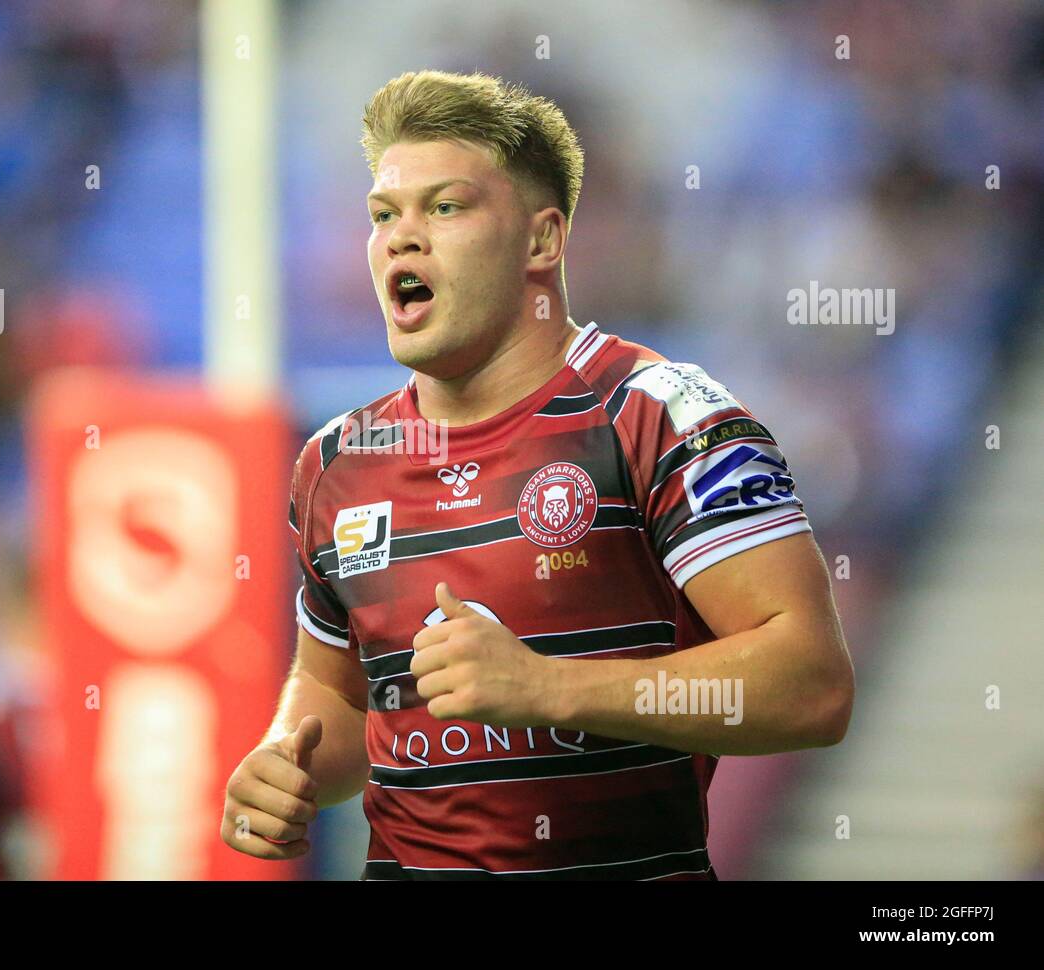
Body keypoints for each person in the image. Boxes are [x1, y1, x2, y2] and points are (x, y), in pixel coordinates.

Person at [221, 69, 854, 880]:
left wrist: (550, 689)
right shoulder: (338, 462)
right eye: (384, 214)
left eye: (445, 207)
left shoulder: (657, 415)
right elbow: (341, 698)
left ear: (541, 240)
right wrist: (285, 764)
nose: (402, 237)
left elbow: (811, 686)